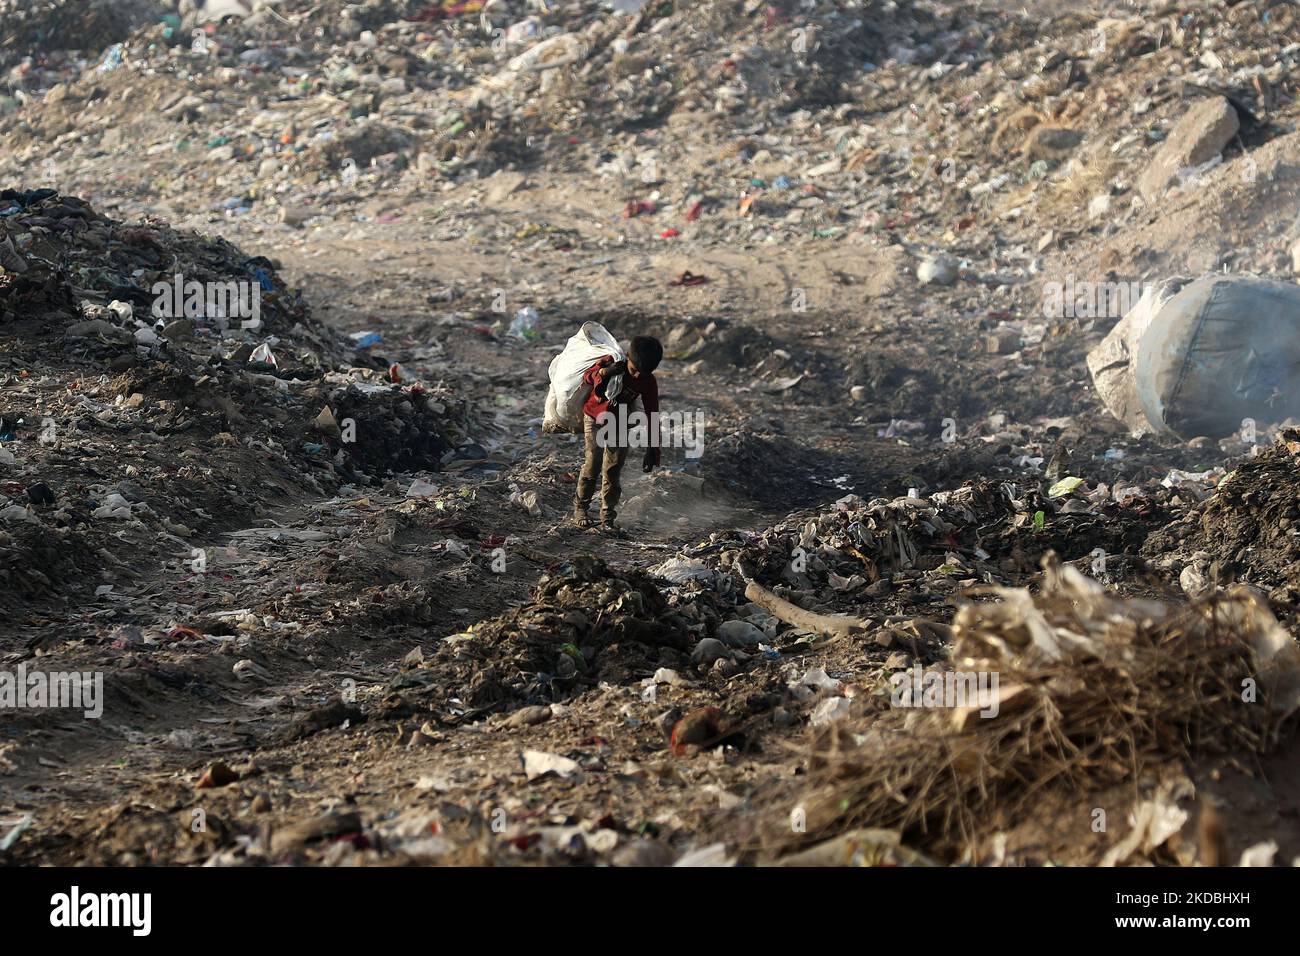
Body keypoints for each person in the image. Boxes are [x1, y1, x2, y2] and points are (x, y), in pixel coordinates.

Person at [572, 335, 663, 530]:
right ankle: (581, 507)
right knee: (593, 463)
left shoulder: (648, 381)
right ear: (628, 357)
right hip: (595, 418)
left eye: (644, 374)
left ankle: (607, 516)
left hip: (621, 422)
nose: (638, 377)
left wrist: (652, 449)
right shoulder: (613, 361)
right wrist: (606, 372)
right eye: (634, 371)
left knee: (612, 470)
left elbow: (652, 413)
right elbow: (588, 376)